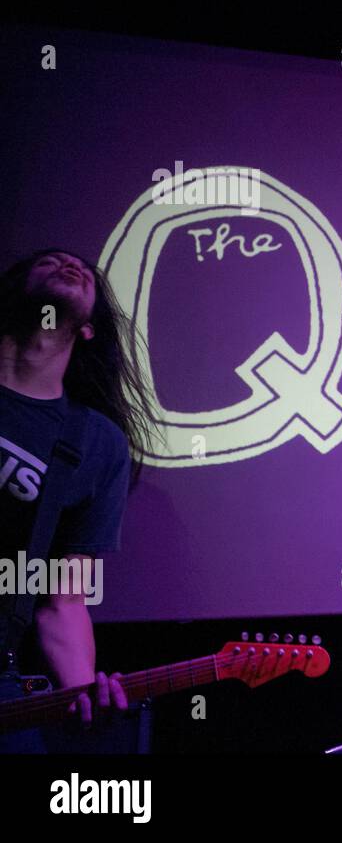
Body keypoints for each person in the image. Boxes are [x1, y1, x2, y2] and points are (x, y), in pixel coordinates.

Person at [0, 249, 153, 752]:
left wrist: (81, 689)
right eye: (49, 261)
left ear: (87, 329)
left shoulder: (94, 444)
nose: (71, 264)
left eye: (82, 269)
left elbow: (62, 599)